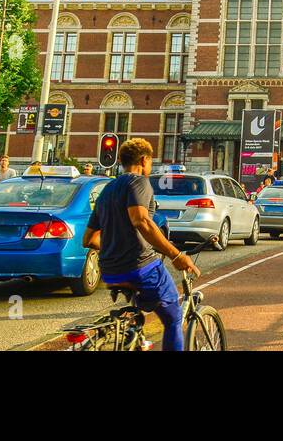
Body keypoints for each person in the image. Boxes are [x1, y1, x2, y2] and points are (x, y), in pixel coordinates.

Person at [81, 138, 198, 352]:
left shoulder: (107, 190)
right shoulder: (139, 182)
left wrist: (114, 246)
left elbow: (88, 240)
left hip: (110, 270)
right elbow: (141, 221)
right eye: (151, 162)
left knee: (136, 318)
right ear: (144, 160)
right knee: (173, 317)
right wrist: (176, 255)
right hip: (140, 267)